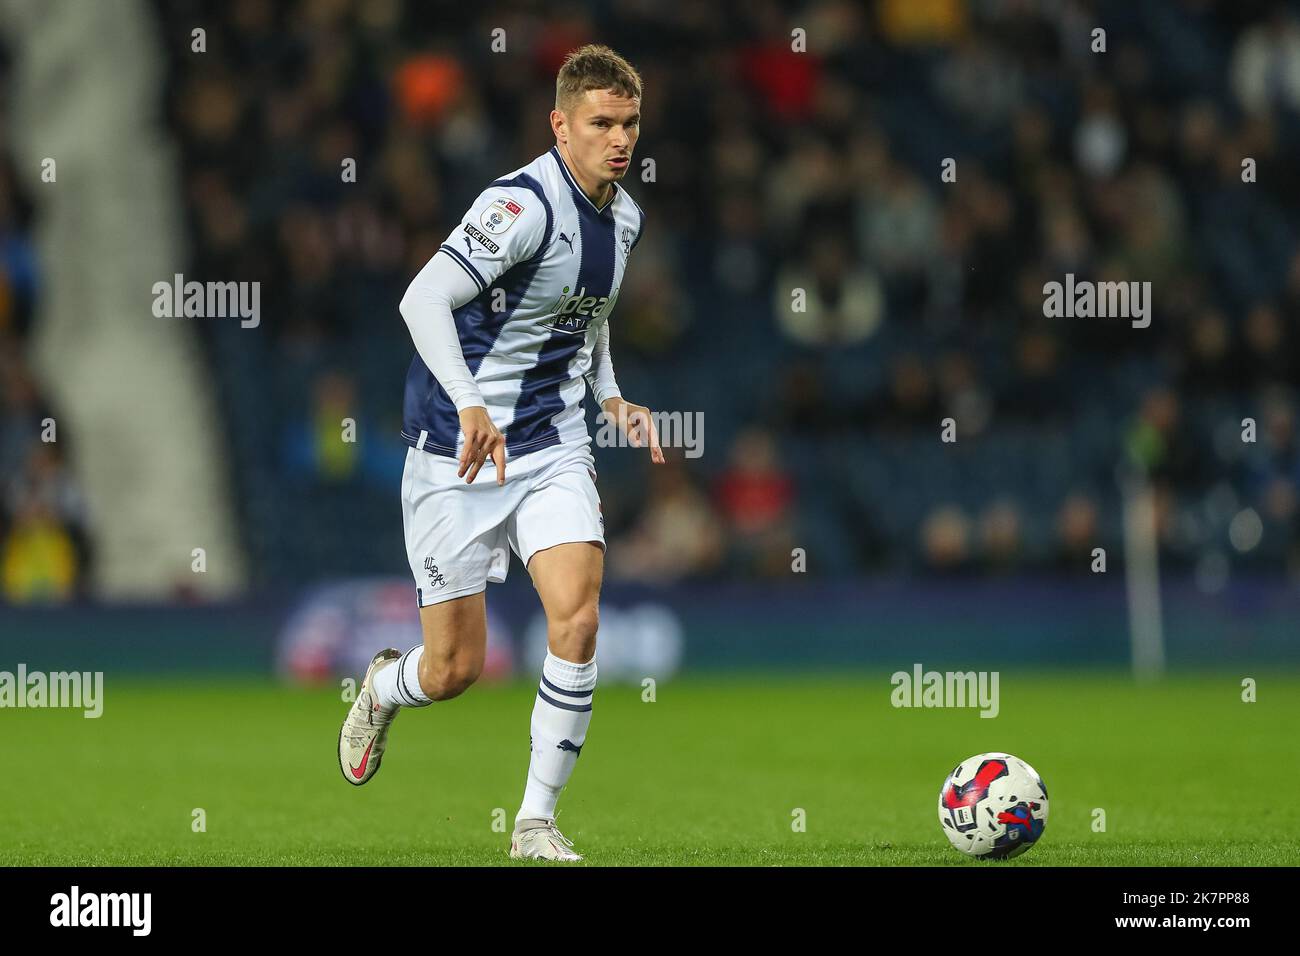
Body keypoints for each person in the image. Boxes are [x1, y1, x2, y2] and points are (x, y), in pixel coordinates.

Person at [337, 44, 663, 862]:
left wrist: (611, 393)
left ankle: (534, 823)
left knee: (578, 618)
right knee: (454, 671)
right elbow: (423, 298)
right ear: (561, 125)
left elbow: (587, 315)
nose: (618, 139)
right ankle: (383, 686)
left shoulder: (624, 215)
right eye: (600, 124)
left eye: (628, 123)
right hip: (457, 452)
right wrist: (473, 403)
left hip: (553, 443)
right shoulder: (519, 205)